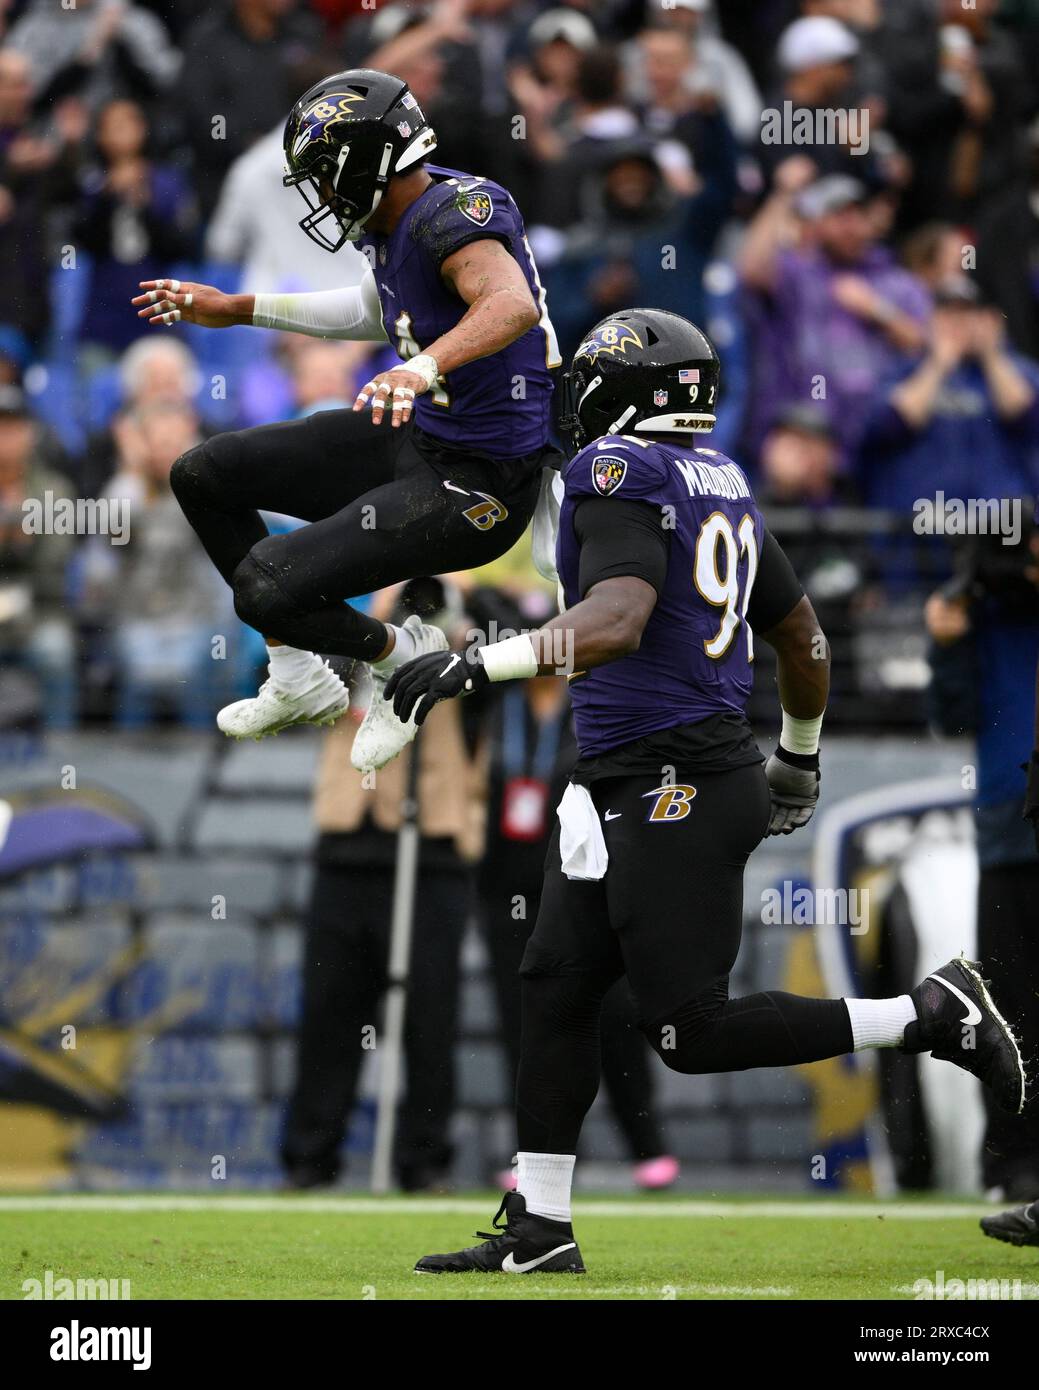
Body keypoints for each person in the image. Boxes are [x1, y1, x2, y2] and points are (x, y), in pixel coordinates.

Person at [386, 308, 1027, 1274]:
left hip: (670, 779)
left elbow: (618, 618)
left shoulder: (617, 472)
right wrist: (798, 759)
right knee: (555, 989)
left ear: (623, 390)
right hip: (634, 773)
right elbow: (803, 639)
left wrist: (483, 664)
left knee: (686, 1029)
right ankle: (540, 1227)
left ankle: (931, 1015)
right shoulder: (717, 479)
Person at [131, 67, 562, 775]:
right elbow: (375, 309)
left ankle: (400, 656)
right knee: (204, 473)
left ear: (366, 163)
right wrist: (234, 307)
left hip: (482, 482)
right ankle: (298, 675)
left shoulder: (458, 213)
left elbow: (510, 303)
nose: (322, 192)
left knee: (266, 584)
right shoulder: (400, 215)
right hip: (423, 438)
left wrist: (419, 368)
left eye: (326, 173)